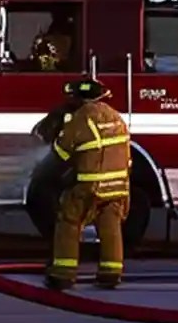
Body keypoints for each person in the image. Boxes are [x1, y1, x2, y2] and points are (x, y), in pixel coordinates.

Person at [40, 78, 131, 291]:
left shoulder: (82, 117)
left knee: (68, 220)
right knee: (110, 225)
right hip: (119, 184)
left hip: (90, 184)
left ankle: (62, 274)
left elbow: (62, 152)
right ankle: (111, 273)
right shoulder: (115, 117)